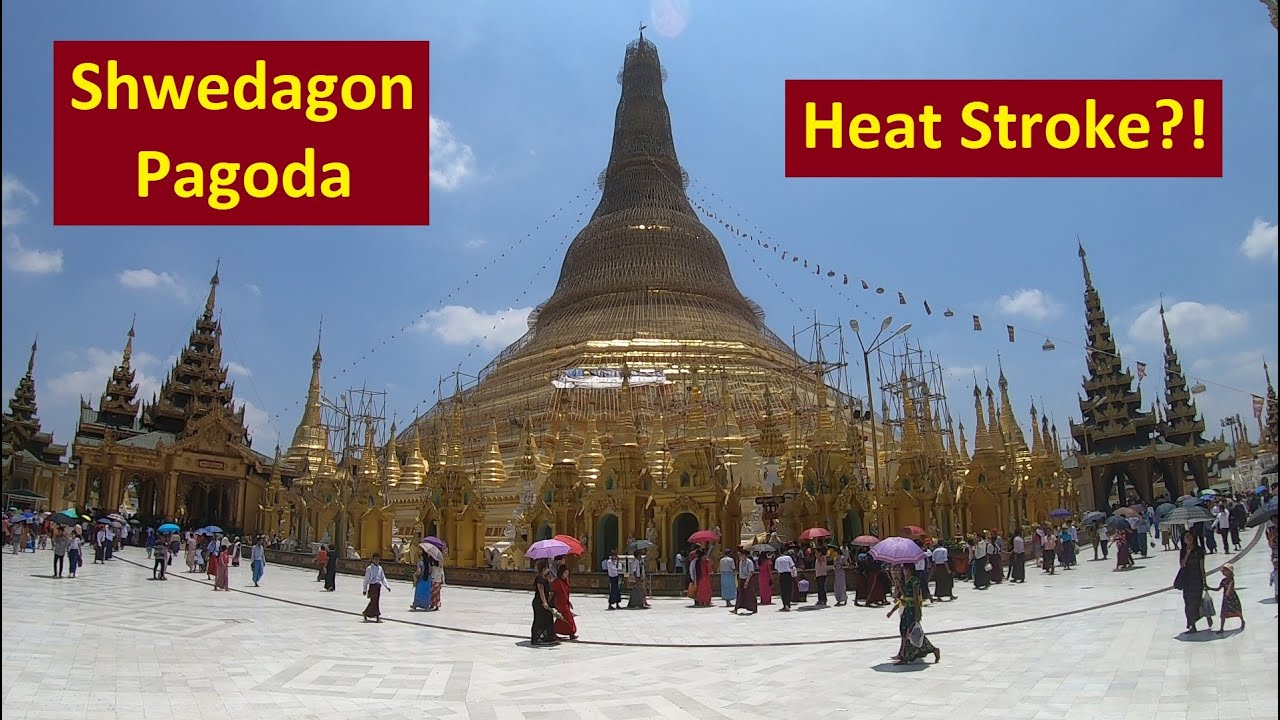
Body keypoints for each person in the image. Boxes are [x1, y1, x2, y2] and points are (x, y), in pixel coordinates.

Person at [886, 565, 941, 666]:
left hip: (912, 609)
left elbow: (915, 598)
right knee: (907, 631)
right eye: (904, 569)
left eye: (907, 569)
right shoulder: (906, 581)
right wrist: (898, 585)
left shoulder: (915, 581)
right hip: (907, 609)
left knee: (910, 631)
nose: (905, 571)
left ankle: (905, 657)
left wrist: (917, 612)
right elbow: (904, 597)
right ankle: (932, 649)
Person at [1178, 528, 1210, 632]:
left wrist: (1204, 581)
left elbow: (1202, 567)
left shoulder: (1199, 550)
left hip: (1197, 580)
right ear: (1184, 540)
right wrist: (1187, 553)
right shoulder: (1183, 551)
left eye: (1190, 536)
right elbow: (1182, 565)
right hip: (1187, 581)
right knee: (1188, 603)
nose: (1189, 538)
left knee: (1196, 602)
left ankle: (1205, 616)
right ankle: (1191, 625)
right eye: (1186, 537)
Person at [530, 560, 559, 646]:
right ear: (543, 569)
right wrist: (545, 603)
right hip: (539, 603)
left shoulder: (545, 578)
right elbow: (541, 591)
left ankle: (548, 636)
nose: (548, 569)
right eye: (547, 568)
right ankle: (536, 638)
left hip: (544, 603)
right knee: (539, 620)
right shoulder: (539, 579)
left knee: (548, 618)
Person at [1214, 563, 1244, 634]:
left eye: (1225, 571)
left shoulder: (1231, 580)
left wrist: (1228, 591)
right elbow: (1218, 589)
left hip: (1232, 598)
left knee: (1237, 611)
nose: (1224, 572)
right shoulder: (1223, 580)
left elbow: (1231, 586)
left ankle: (1242, 621)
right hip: (1226, 599)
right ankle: (1221, 628)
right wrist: (1209, 588)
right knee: (1223, 613)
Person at [362, 554, 390, 622]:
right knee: (374, 602)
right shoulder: (369, 568)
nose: (377, 561)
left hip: (378, 586)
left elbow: (383, 578)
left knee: (374, 601)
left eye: (378, 560)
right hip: (372, 586)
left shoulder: (380, 568)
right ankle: (377, 616)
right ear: (372, 559)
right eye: (375, 559)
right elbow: (366, 579)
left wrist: (387, 586)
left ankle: (366, 612)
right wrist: (365, 589)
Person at [552, 565, 577, 640]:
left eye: (567, 573)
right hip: (559, 603)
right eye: (565, 573)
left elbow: (566, 593)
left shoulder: (566, 581)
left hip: (565, 602)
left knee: (561, 618)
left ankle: (553, 631)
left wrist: (568, 601)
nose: (566, 574)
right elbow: (552, 592)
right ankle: (571, 633)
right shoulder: (557, 581)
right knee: (568, 618)